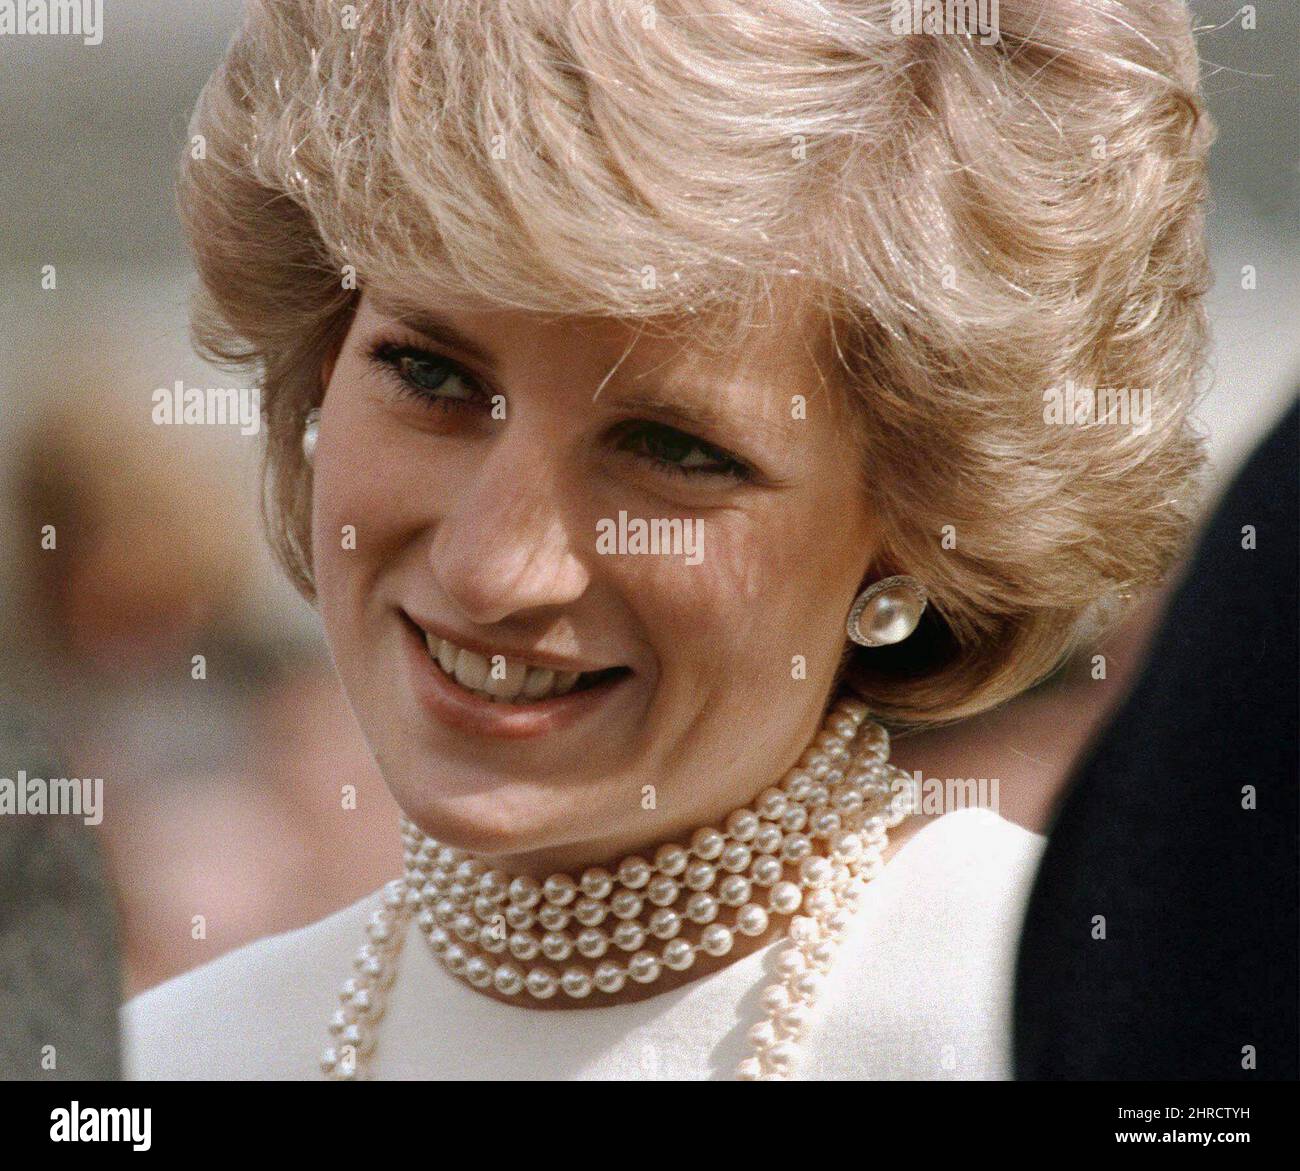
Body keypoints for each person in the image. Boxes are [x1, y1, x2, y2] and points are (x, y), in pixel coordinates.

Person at [122, 0, 1213, 1079]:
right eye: (431, 375)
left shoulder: (1105, 1027)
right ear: (319, 352)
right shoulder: (149, 1064)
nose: (490, 568)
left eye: (676, 451)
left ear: (919, 531)